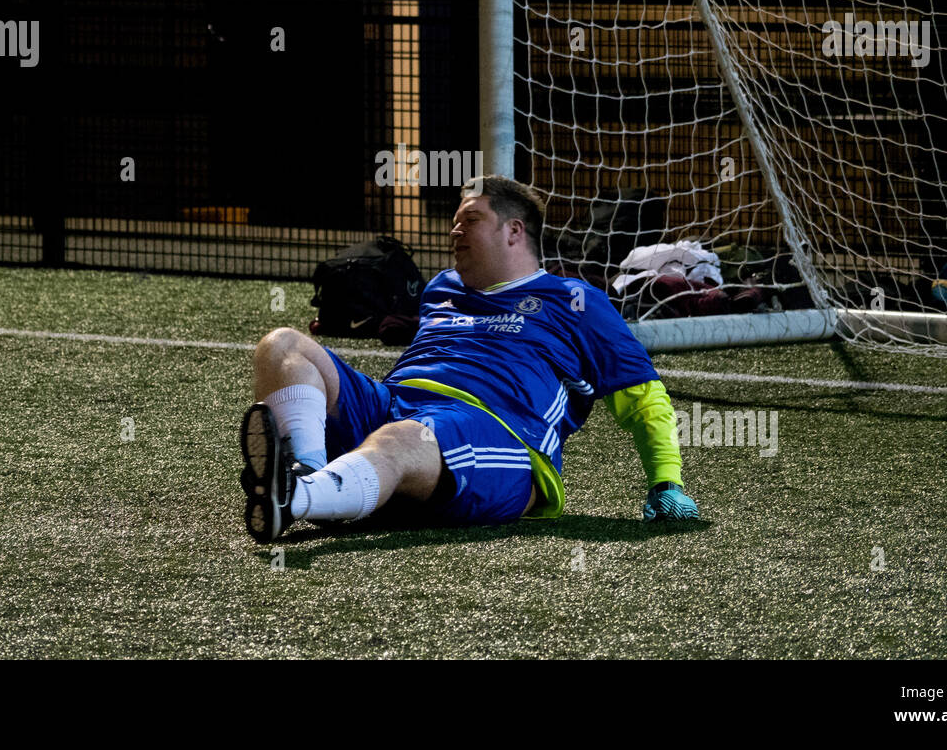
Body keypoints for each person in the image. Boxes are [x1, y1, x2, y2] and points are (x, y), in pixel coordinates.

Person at [239, 174, 699, 542]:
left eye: (471, 219)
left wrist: (666, 482)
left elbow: (643, 397)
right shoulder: (442, 287)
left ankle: (297, 498)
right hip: (395, 406)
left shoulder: (576, 300)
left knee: (403, 438)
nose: (455, 229)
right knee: (282, 345)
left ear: (514, 231)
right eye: (456, 220)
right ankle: (310, 472)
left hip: (499, 435)